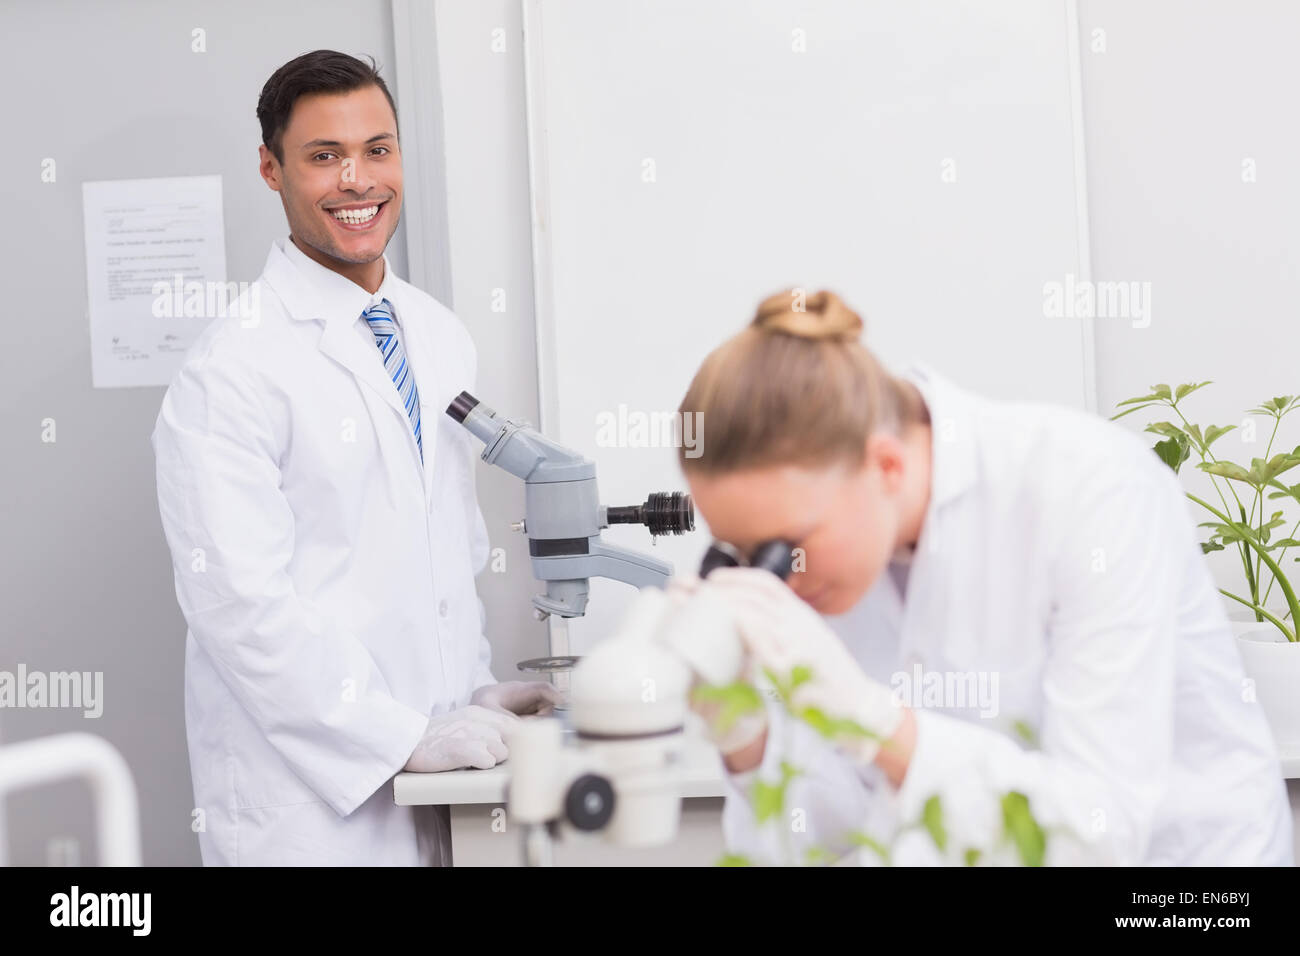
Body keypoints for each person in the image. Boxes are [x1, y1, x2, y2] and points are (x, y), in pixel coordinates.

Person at [672, 288, 1293, 865]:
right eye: (744, 554)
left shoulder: (1092, 489)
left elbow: (1098, 831)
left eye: (785, 549)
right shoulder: (844, 552)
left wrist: (875, 721)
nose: (780, 579)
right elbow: (841, 838)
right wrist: (748, 739)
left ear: (885, 466)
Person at [151, 50, 559, 866]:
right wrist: (401, 734)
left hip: (442, 780)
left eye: (378, 149)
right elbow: (243, 610)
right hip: (309, 809)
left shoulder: (438, 336)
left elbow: (436, 550)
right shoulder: (229, 371)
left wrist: (469, 691)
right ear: (271, 170)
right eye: (323, 156)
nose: (358, 180)